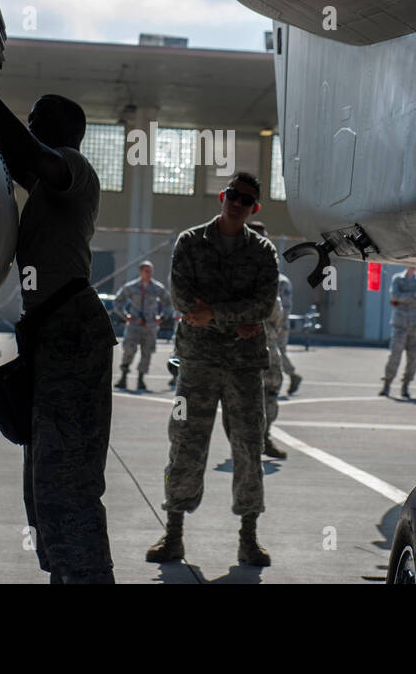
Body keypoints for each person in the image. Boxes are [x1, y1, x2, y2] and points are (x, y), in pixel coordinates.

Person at [0, 45, 117, 584]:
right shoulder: (49, 189)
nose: (28, 125)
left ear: (61, 131)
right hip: (53, 332)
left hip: (69, 329)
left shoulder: (73, 168)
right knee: (46, 480)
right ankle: (65, 577)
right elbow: (13, 148)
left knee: (67, 480)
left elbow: (24, 148)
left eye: (37, 119)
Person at [148, 172, 279, 567]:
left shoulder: (263, 251)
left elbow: (263, 304)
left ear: (254, 207)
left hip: (242, 367)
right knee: (185, 445)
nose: (238, 203)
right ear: (223, 196)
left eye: (247, 199)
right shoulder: (189, 243)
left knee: (248, 450)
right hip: (198, 364)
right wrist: (235, 317)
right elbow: (183, 299)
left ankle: (249, 538)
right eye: (233, 195)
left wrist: (215, 312)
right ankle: (173, 534)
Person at [245, 221, 287, 458]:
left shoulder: (268, 267)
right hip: (245, 340)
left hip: (267, 340)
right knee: (246, 394)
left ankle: (263, 437)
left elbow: (276, 311)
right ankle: (248, 442)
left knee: (270, 389)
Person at [113, 261, 172, 391]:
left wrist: (162, 317)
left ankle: (141, 379)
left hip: (150, 326)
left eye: (151, 271)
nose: (149, 274)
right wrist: (125, 316)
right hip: (134, 325)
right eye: (146, 271)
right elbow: (118, 301)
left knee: (147, 353)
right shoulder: (132, 286)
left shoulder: (157, 287)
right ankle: (123, 377)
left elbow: (168, 302)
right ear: (140, 272)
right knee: (129, 350)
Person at [383, 266, 416, 399]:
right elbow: (394, 296)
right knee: (394, 355)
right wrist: (413, 296)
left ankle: (406, 385)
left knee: (414, 358)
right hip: (400, 325)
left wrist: (404, 298)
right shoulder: (397, 278)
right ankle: (387, 383)